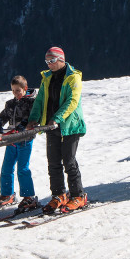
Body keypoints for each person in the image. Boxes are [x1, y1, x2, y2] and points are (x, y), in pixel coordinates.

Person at [28, 46, 87, 214]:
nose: (49, 65)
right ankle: (59, 195)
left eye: (52, 61)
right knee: (53, 162)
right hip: (51, 125)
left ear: (61, 59)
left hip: (70, 126)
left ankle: (78, 195)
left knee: (69, 161)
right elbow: (40, 100)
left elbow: (72, 101)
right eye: (47, 62)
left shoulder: (73, 77)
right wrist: (34, 119)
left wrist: (57, 118)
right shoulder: (47, 78)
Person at [0, 75, 38, 210]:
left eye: (18, 90)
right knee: (7, 168)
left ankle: (28, 197)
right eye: (13, 90)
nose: (15, 93)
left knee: (23, 168)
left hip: (25, 139)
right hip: (11, 140)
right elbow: (3, 115)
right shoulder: (10, 104)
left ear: (25, 88)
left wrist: (24, 124)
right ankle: (7, 194)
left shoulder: (31, 103)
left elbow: (32, 117)